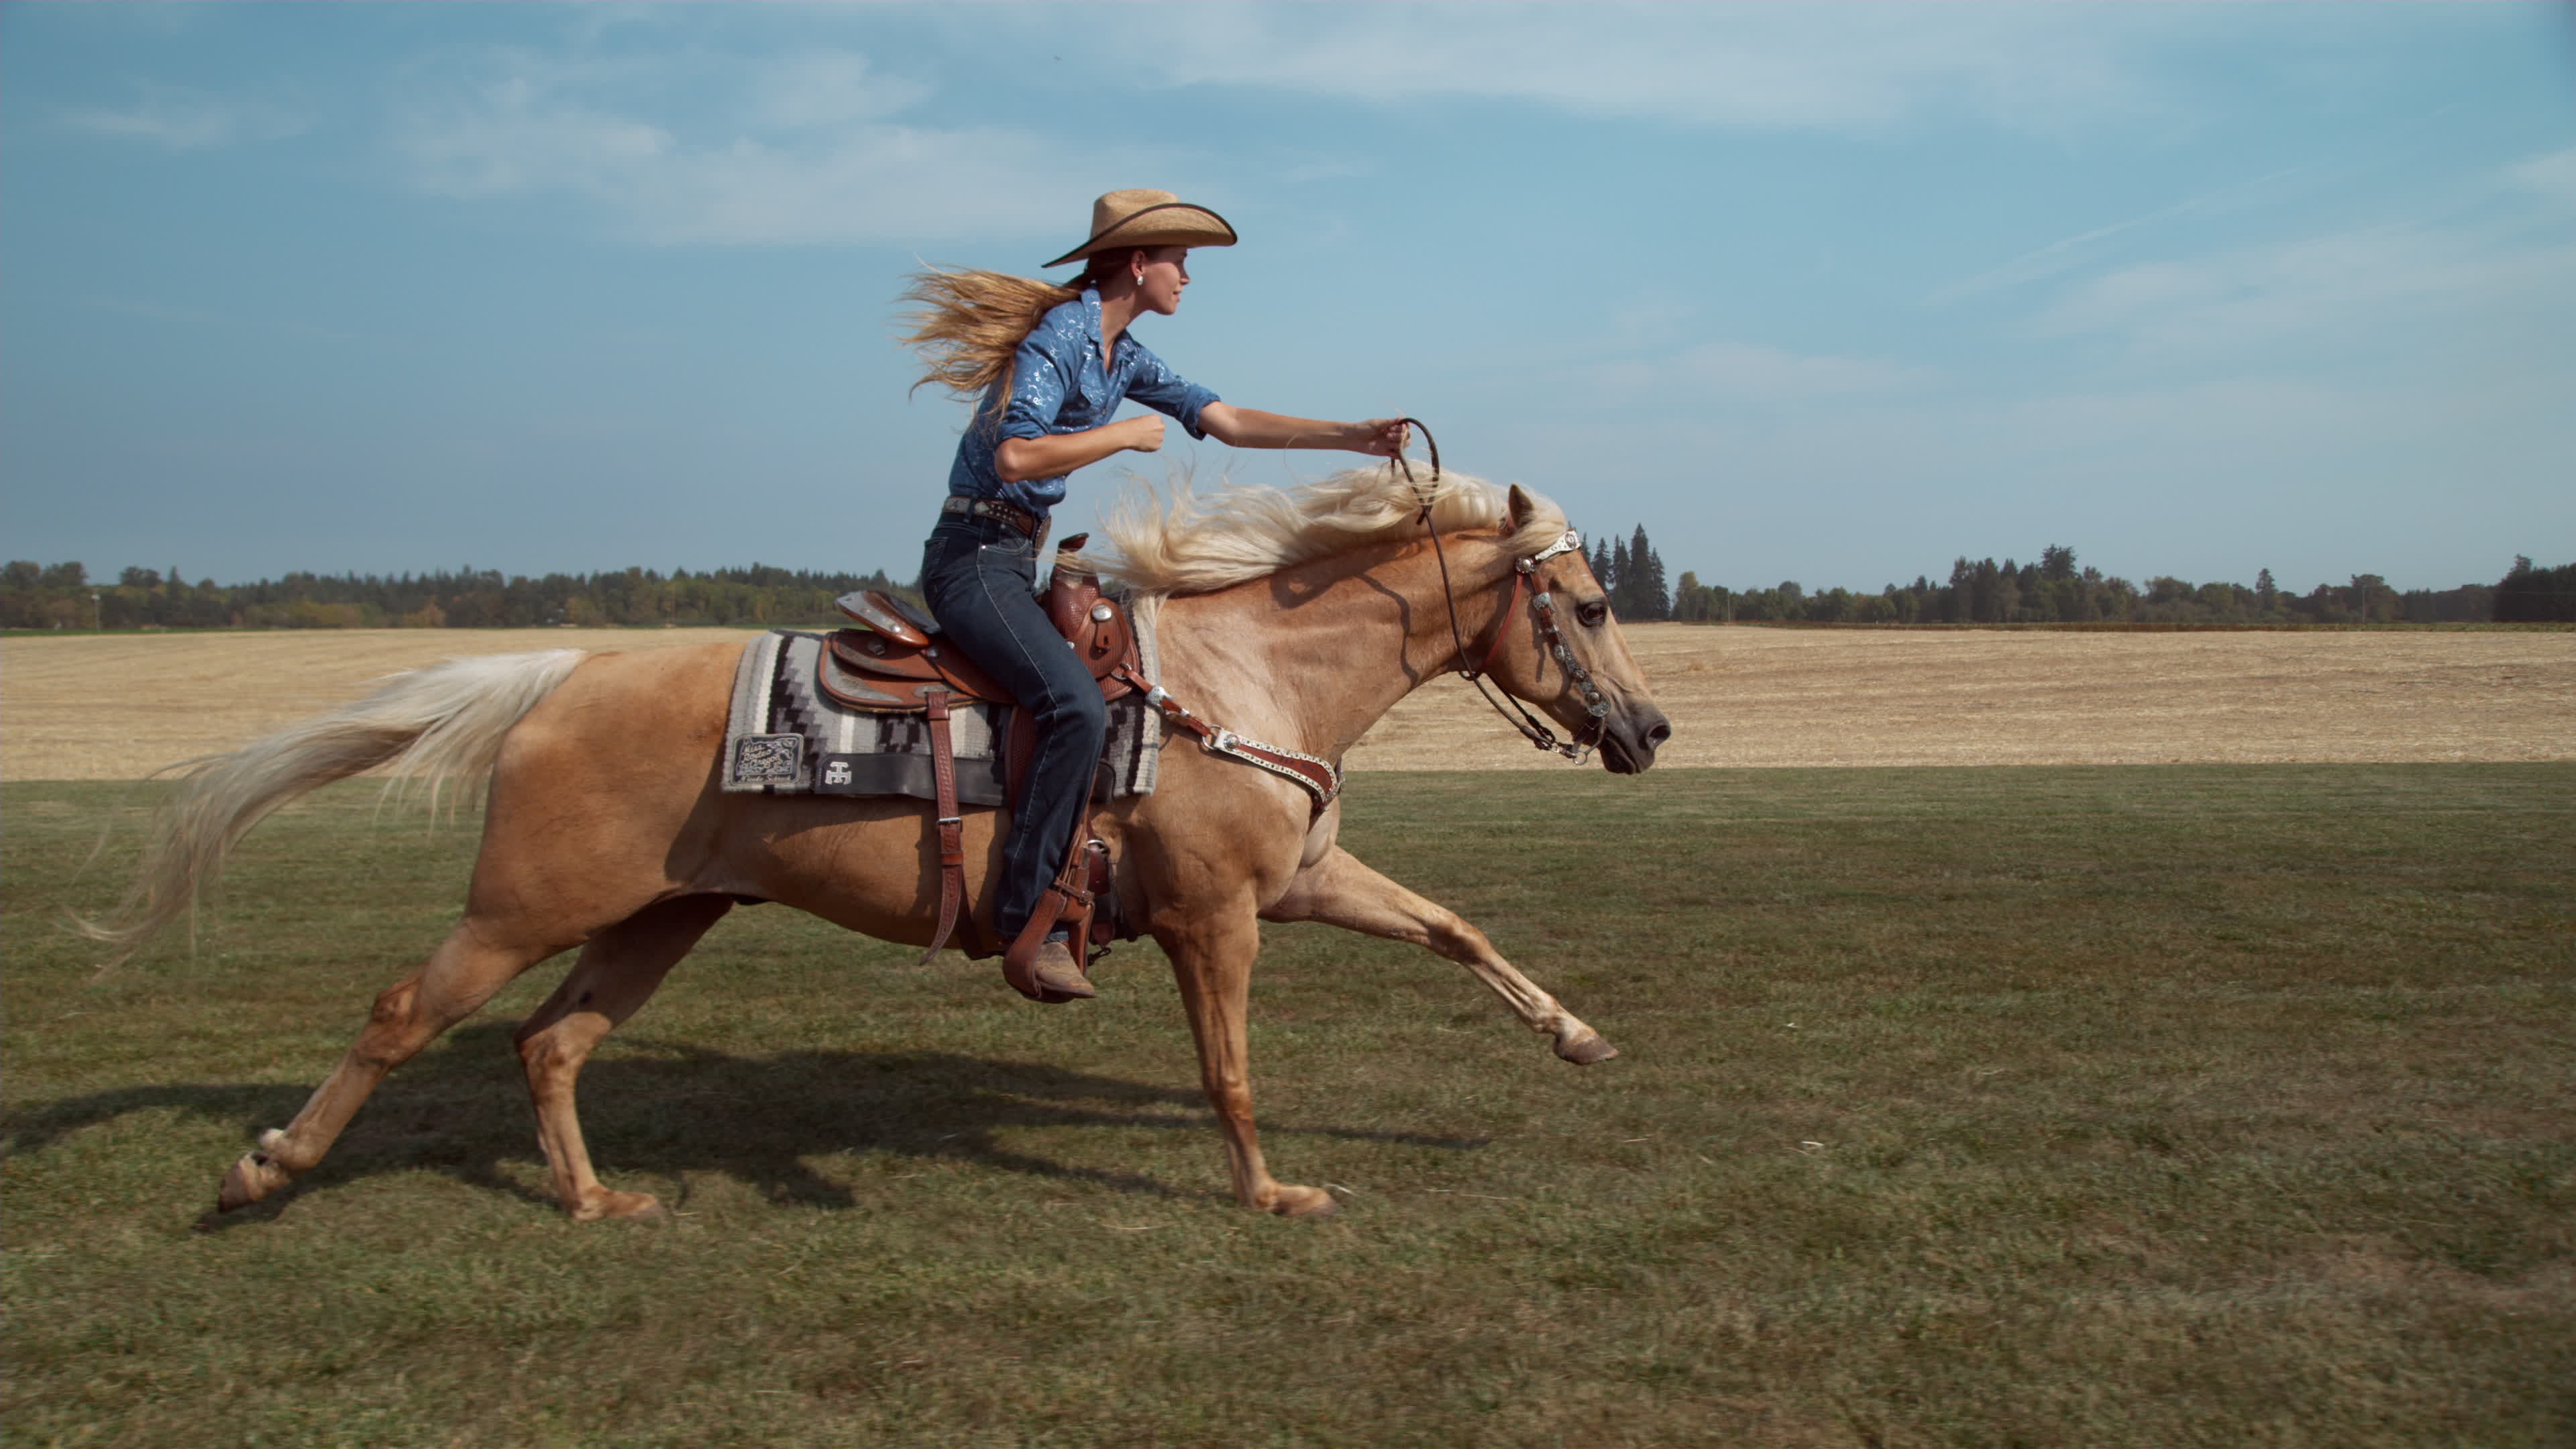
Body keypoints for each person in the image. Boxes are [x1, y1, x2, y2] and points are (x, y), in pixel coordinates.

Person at [902, 188, 1407, 1004]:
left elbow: (1230, 418)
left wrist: (1351, 436)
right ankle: (1026, 916)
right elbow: (1016, 459)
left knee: (1111, 692)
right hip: (973, 561)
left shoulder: (1124, 356)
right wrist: (1123, 436)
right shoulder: (1061, 336)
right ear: (1138, 263)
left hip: (1015, 557)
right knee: (1077, 709)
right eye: (1180, 262)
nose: (1187, 279)